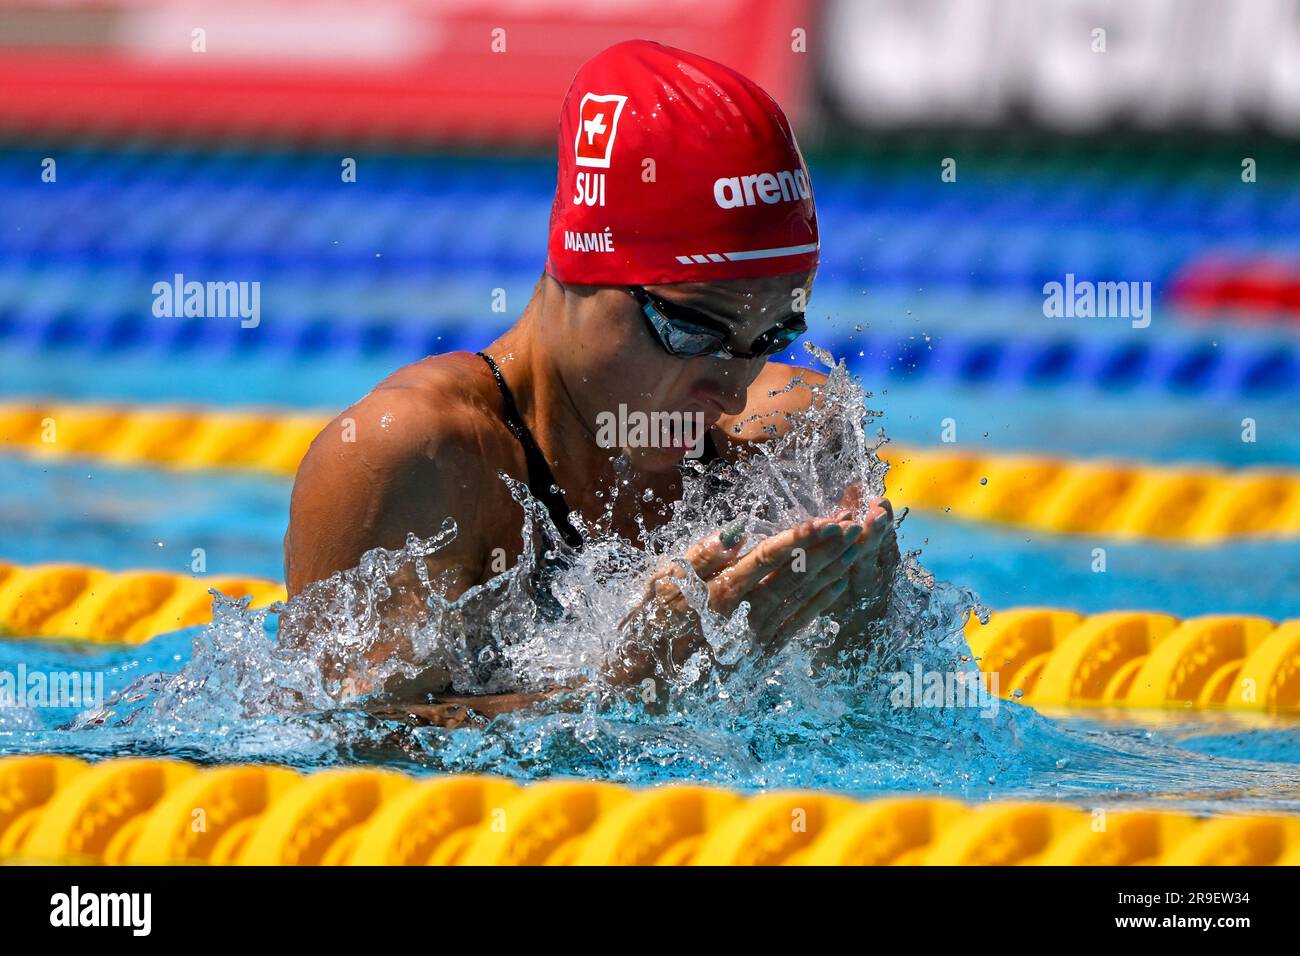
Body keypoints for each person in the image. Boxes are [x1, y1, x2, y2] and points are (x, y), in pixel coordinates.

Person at [283, 40, 898, 722]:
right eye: (693, 331)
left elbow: (865, 734)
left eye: (773, 336)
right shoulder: (412, 458)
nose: (732, 391)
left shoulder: (789, 442)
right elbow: (336, 749)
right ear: (583, 268)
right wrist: (623, 692)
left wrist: (865, 636)